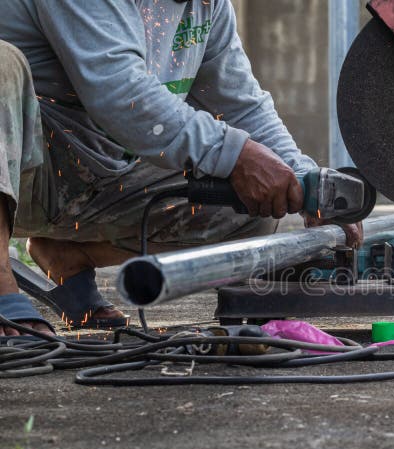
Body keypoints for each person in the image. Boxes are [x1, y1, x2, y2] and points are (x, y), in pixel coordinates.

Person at [0, 0, 361, 335]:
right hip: (19, 171)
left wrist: (306, 181)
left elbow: (242, 106)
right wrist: (235, 154)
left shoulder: (205, 6)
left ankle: (69, 253)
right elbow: (122, 95)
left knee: (252, 210)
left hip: (95, 178)